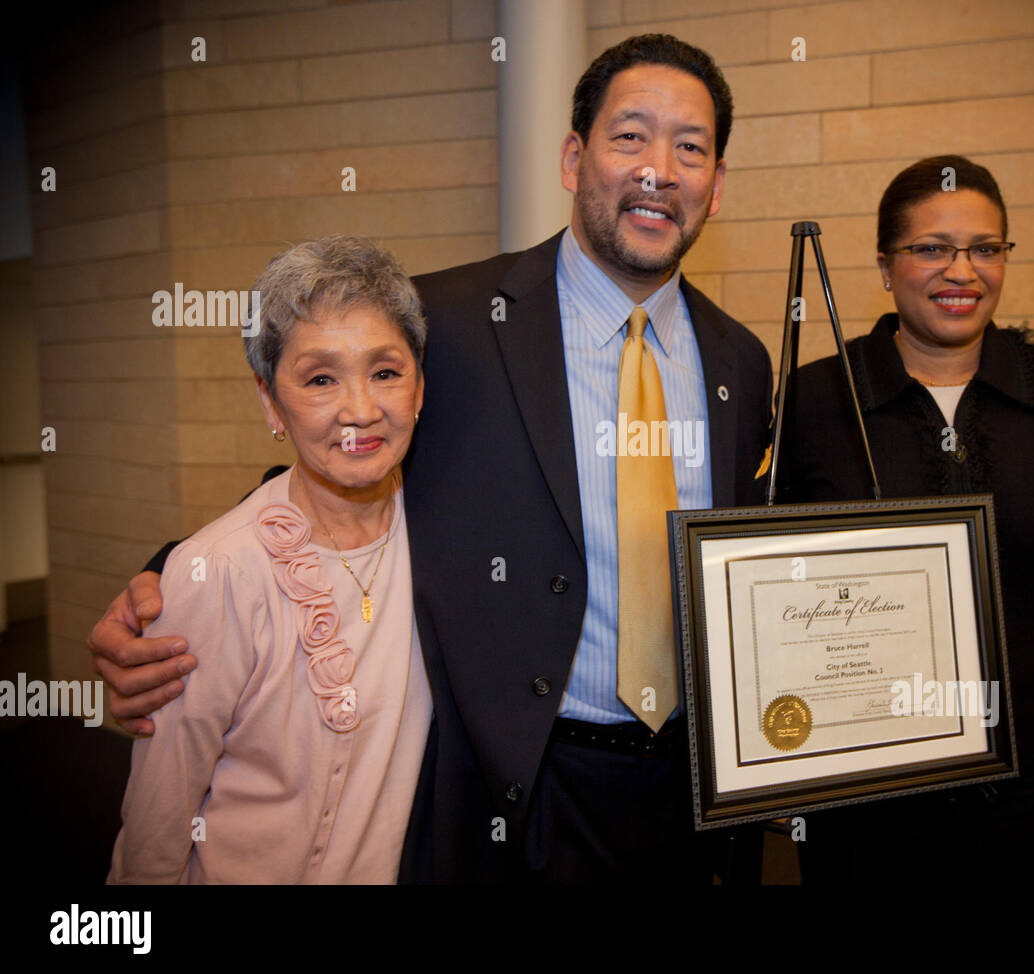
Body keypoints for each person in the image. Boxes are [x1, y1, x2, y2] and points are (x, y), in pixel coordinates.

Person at [89, 34, 773, 884]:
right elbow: (345, 452)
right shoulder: (452, 322)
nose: (659, 170)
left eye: (691, 148)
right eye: (630, 136)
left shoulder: (740, 361)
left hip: (688, 792)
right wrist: (171, 585)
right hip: (512, 788)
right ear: (573, 156)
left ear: (716, 183)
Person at [779, 155, 1034, 883]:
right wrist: (779, 762)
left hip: (1023, 782)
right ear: (885, 264)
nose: (961, 270)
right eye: (932, 248)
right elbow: (778, 599)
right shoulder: (815, 400)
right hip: (856, 786)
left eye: (985, 248)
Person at [108, 235, 430, 882]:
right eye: (319, 379)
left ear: (420, 387)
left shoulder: (449, 534)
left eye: (386, 372)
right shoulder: (221, 573)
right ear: (269, 401)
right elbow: (158, 823)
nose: (360, 410)